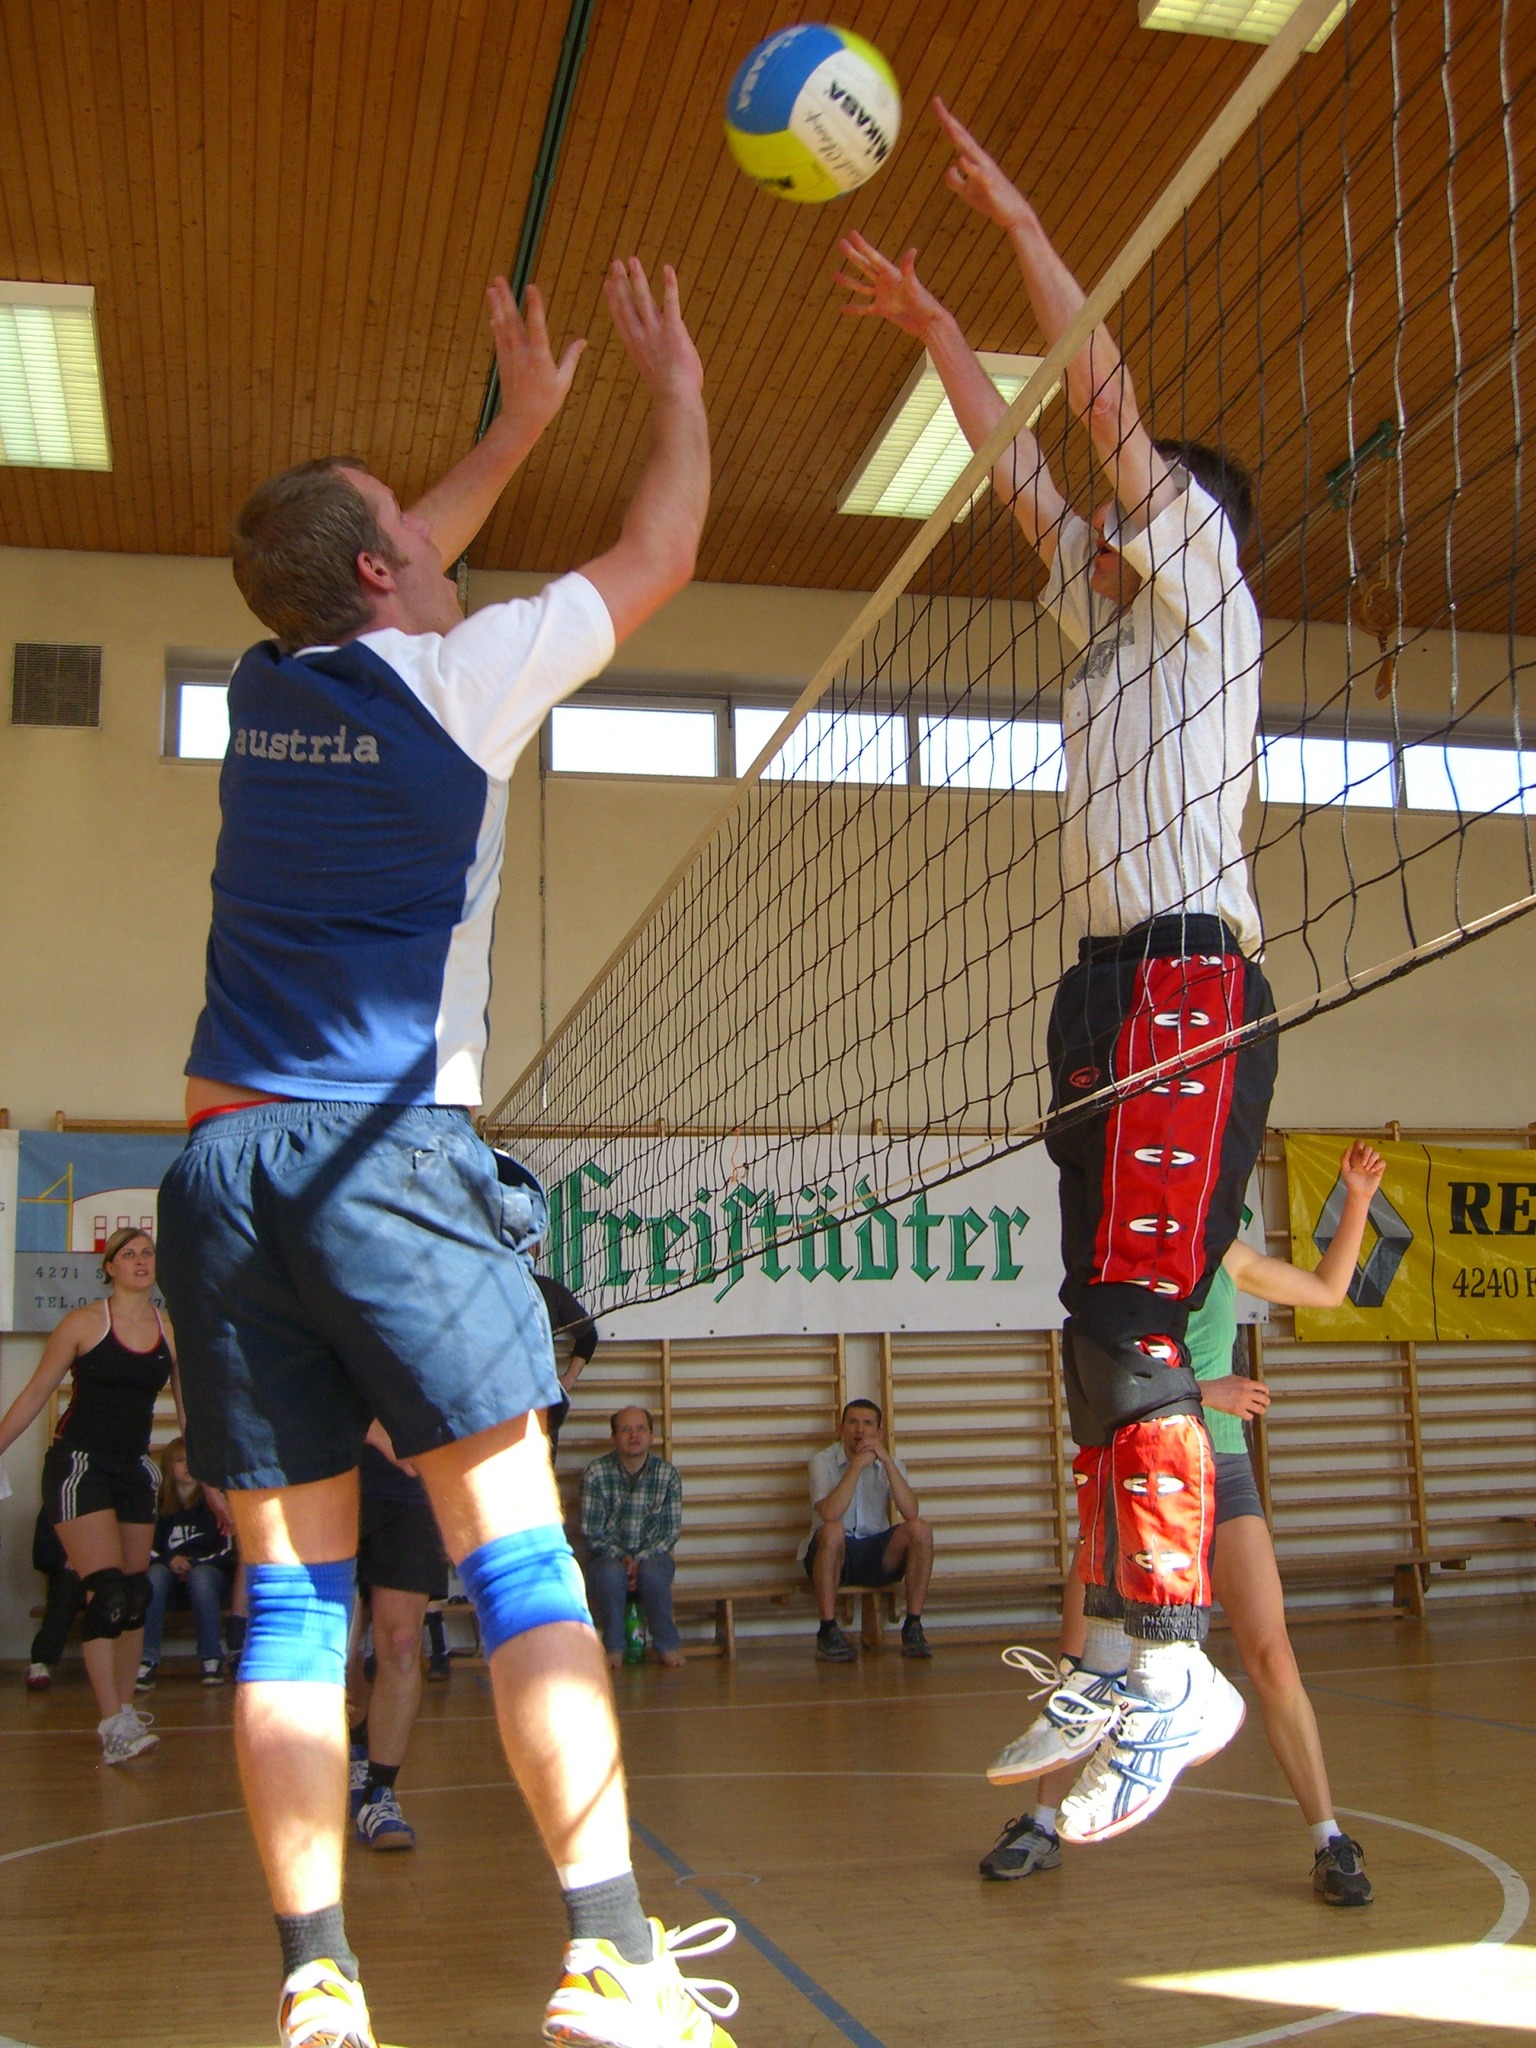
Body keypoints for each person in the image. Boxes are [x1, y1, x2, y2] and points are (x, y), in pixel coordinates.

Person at [155, 260, 740, 2048]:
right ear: (389, 580)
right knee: (523, 1566)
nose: (440, 531)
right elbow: (662, 553)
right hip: (385, 1159)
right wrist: (671, 391)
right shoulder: (456, 685)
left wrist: (510, 433)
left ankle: (320, 1982)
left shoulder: (273, 686)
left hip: (218, 1172)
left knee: (291, 1596)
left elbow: (383, 558)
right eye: (416, 524)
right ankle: (614, 1953)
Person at [838, 100, 1274, 1839]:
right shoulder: (1101, 635)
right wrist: (947, 333)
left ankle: (1176, 1664)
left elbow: (1094, 402)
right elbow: (1017, 462)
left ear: (1188, 528)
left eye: (1137, 503)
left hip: (1189, 984)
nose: (1100, 517)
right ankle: (1138, 1649)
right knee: (1085, 1332)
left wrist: (1019, 216)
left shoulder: (1210, 601)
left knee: (1132, 1318)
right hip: (1101, 995)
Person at [982, 1143, 1385, 1907]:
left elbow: (1330, 1290)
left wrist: (1357, 1193)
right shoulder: (1114, 1262)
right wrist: (1209, 1386)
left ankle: (1330, 1838)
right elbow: (1117, 1376)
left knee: (1271, 1656)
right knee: (1084, 1663)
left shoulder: (1223, 1252)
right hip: (1135, 1475)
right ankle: (1040, 1822)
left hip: (1216, 1469)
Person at [0, 1227, 181, 1763]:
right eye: (130, 1254)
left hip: (134, 1470)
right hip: (80, 1466)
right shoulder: (83, 1323)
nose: (141, 1260)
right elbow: (36, 1393)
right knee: (106, 1595)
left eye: (148, 1252)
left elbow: (190, 1408)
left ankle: (124, 1712)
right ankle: (110, 1724)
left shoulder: (169, 1331)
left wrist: (214, 1479)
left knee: (135, 1598)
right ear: (110, 1267)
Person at [345, 1422, 452, 1849]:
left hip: (409, 1481)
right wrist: (369, 1429)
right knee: (340, 1648)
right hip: (328, 1475)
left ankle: (379, 1793)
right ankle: (356, 1744)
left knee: (403, 1642)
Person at [802, 1399, 933, 1662]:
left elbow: (910, 1512)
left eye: (867, 1423)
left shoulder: (890, 1462)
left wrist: (886, 1461)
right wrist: (856, 1466)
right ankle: (827, 1630)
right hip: (833, 1553)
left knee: (920, 1529)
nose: (859, 1430)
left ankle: (913, 1625)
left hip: (875, 1551)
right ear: (842, 1430)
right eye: (853, 1422)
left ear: (878, 1432)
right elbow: (829, 1513)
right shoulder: (823, 1461)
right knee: (833, 1530)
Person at [579, 1408, 684, 1669]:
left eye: (640, 1429)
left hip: (653, 1557)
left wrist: (639, 1561)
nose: (633, 1435)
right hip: (607, 1558)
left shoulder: (668, 1475)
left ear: (651, 1435)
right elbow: (591, 1532)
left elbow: (670, 1532)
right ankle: (613, 1647)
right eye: (625, 1430)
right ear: (614, 1437)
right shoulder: (595, 1473)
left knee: (653, 1573)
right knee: (609, 1574)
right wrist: (622, 1559)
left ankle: (667, 1645)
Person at [138, 1434, 237, 1688]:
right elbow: (144, 1545)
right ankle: (146, 1660)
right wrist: (171, 1560)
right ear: (169, 1466)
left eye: (192, 1460)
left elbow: (228, 1550)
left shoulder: (214, 1503)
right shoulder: (157, 1503)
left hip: (208, 1579)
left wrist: (193, 1562)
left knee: (201, 1577)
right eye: (180, 1460)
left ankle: (211, 1658)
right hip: (168, 1578)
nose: (187, 1466)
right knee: (154, 1577)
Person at [535, 1265, 599, 1459]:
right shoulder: (487, 1287)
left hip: (541, 1402)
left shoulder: (548, 1289)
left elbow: (588, 1335)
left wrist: (569, 1378)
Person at [26, 1505, 84, 1690]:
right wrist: (66, 1562)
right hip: (70, 1577)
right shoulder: (54, 1506)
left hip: (107, 1575)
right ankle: (41, 1662)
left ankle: (136, 1664)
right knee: (67, 1587)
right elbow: (41, 1556)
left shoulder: (115, 1498)